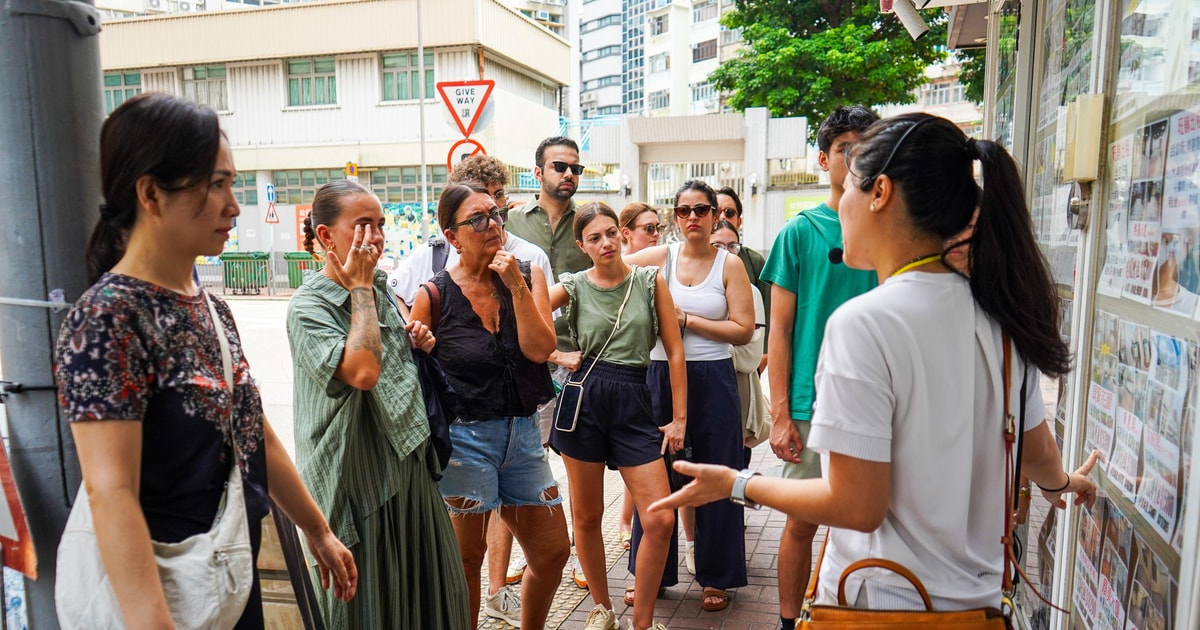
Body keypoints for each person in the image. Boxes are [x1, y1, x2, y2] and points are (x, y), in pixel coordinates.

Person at [650, 112, 1099, 615]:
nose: (841, 206)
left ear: (879, 193)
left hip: (881, 606)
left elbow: (855, 507)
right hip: (979, 610)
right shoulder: (1002, 316)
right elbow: (1036, 452)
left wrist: (734, 483)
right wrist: (1064, 483)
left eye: (851, 190)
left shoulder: (863, 324)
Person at [55, 92, 357, 629]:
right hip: (162, 591)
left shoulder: (210, 307)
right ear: (151, 192)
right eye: (215, 184)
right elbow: (111, 490)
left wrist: (318, 530)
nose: (233, 205)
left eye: (231, 184)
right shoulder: (109, 317)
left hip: (225, 576)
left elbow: (254, 431)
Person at [289, 180, 470, 629]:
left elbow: (392, 360)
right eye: (362, 225)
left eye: (380, 225)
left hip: (408, 470)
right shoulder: (308, 306)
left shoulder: (383, 290)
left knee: (434, 598)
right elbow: (363, 373)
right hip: (355, 481)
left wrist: (418, 339)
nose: (375, 236)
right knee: (368, 609)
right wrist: (362, 291)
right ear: (327, 237)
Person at [386, 155, 549, 626]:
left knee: (552, 550)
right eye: (478, 219)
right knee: (466, 559)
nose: (492, 223)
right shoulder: (433, 294)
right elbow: (416, 369)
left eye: (496, 214)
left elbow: (540, 350)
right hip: (465, 441)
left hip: (522, 436)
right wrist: (423, 343)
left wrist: (516, 286)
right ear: (452, 237)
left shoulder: (525, 272)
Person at [758, 104, 879, 630]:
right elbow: (779, 331)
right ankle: (790, 621)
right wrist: (780, 412)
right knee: (802, 522)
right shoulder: (799, 233)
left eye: (865, 149)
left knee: (872, 522)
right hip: (811, 401)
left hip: (876, 399)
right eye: (845, 150)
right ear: (823, 158)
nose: (855, 160)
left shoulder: (888, 227)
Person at [547, 202, 686, 630]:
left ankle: (642, 622)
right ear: (582, 245)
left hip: (634, 398)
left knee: (660, 516)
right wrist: (554, 353)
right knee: (587, 517)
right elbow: (526, 326)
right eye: (594, 237)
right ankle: (602, 610)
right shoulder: (571, 285)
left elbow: (675, 350)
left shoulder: (648, 280)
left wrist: (679, 419)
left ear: (622, 235)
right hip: (585, 398)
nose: (605, 242)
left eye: (611, 233)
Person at [625, 179, 755, 613]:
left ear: (716, 214)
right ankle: (653, 572)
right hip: (659, 376)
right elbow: (608, 268)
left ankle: (716, 576)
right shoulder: (660, 257)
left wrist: (687, 320)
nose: (693, 218)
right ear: (674, 217)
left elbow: (742, 329)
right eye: (684, 210)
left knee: (718, 474)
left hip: (714, 378)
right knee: (654, 476)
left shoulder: (729, 265)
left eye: (702, 209)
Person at [504, 135, 596, 589]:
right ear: (537, 172)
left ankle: (581, 554)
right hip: (528, 357)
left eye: (575, 168)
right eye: (559, 166)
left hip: (583, 358)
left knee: (580, 463)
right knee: (525, 458)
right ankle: (533, 551)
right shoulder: (511, 222)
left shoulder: (591, 223)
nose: (569, 175)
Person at [614, 201, 664, 549]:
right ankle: (623, 518)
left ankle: (627, 517)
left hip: (654, 368)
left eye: (658, 228)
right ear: (626, 233)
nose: (656, 234)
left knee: (644, 455)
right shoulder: (610, 273)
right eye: (649, 228)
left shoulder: (657, 269)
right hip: (623, 376)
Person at [711, 220, 769, 464]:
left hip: (738, 397)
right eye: (717, 245)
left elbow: (750, 355)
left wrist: (704, 347)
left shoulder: (751, 292)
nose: (726, 252)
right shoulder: (690, 288)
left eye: (732, 246)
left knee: (734, 468)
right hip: (696, 396)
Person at [715, 187, 771, 347]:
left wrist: (764, 353)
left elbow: (769, 312)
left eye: (729, 212)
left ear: (739, 221)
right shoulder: (693, 260)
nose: (722, 217)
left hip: (747, 353)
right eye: (717, 212)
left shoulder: (755, 261)